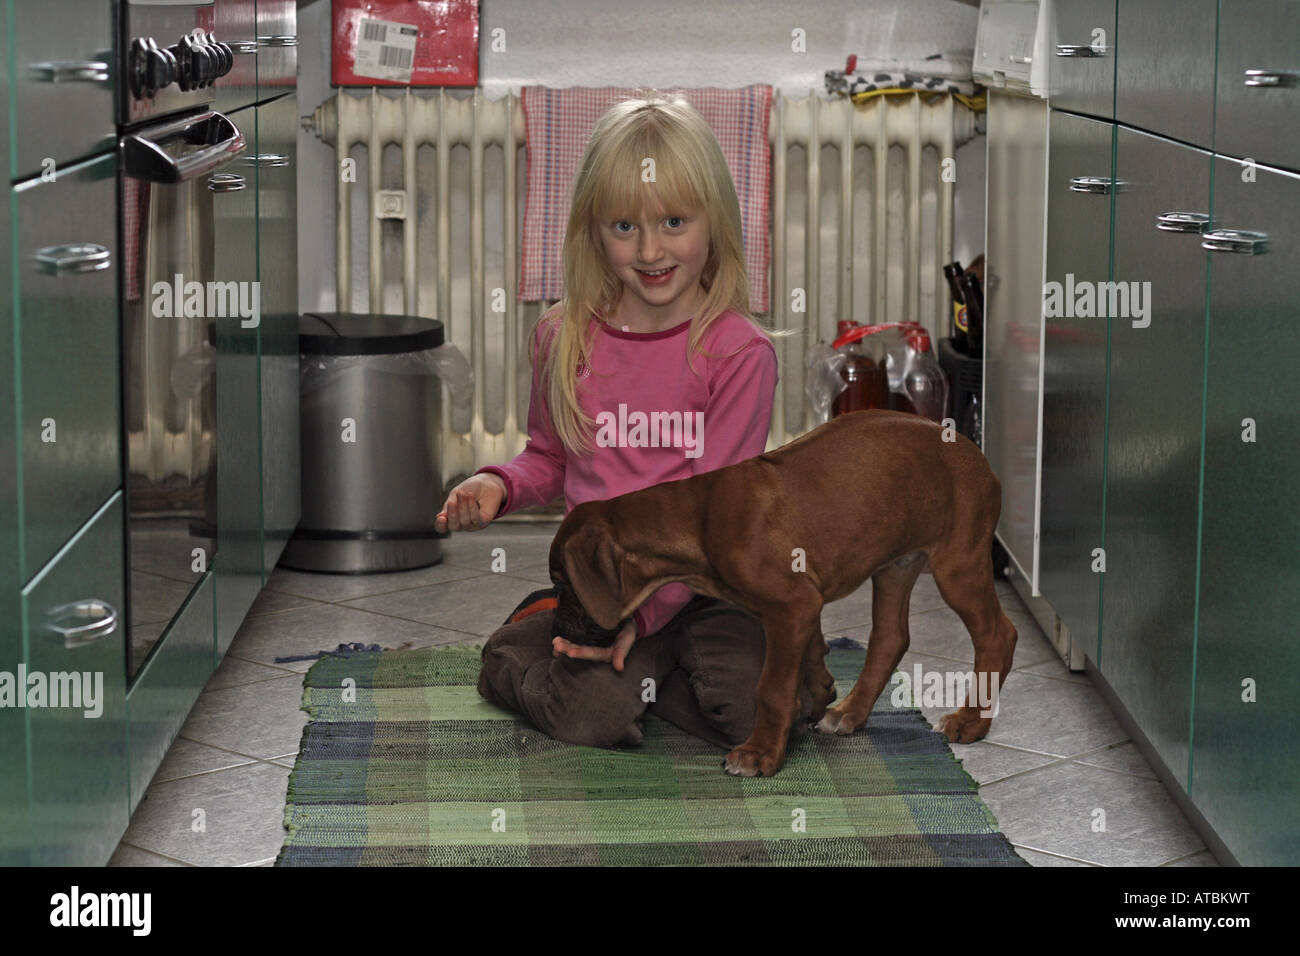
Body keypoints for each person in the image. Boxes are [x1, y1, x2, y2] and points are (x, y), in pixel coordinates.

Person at [435, 96, 808, 751]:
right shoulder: (563, 337)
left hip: (712, 577)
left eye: (673, 221)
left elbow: (712, 522)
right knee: (591, 720)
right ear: (593, 231)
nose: (652, 249)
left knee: (765, 716)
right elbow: (550, 456)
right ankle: (535, 638)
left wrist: (647, 617)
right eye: (625, 227)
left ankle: (658, 670)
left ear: (713, 223)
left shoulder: (739, 353)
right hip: (608, 580)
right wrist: (499, 483)